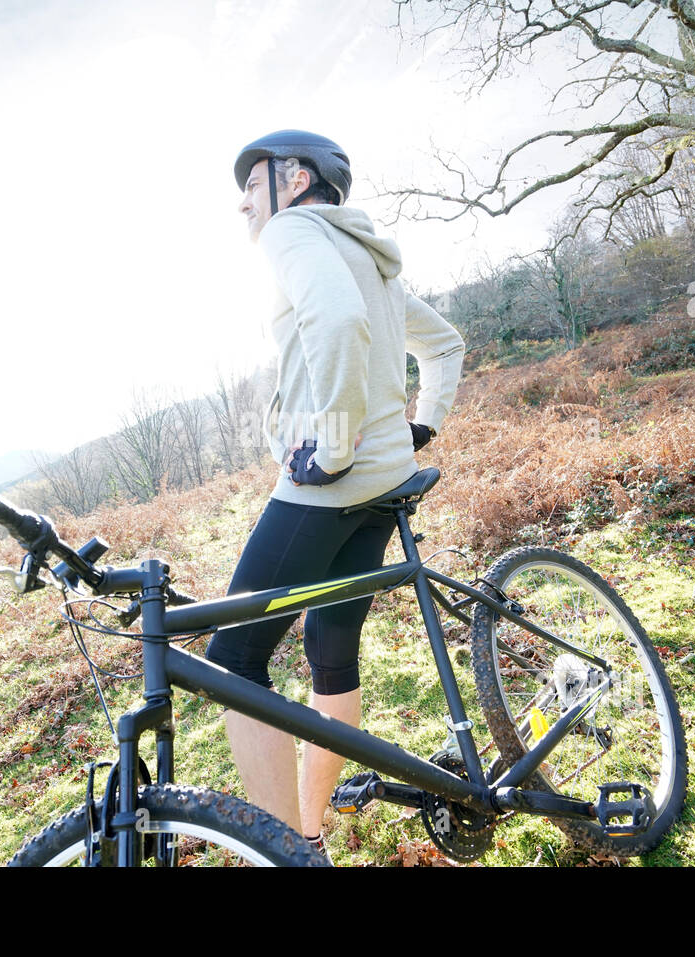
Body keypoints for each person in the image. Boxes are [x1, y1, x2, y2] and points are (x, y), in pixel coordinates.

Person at [205, 130, 465, 862]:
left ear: (291, 179)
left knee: (234, 661)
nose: (243, 204)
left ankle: (287, 853)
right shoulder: (371, 257)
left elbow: (338, 322)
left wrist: (334, 442)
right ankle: (309, 830)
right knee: (330, 652)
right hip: (383, 486)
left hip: (331, 484)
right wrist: (423, 425)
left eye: (250, 187)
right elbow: (444, 344)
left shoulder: (291, 232)